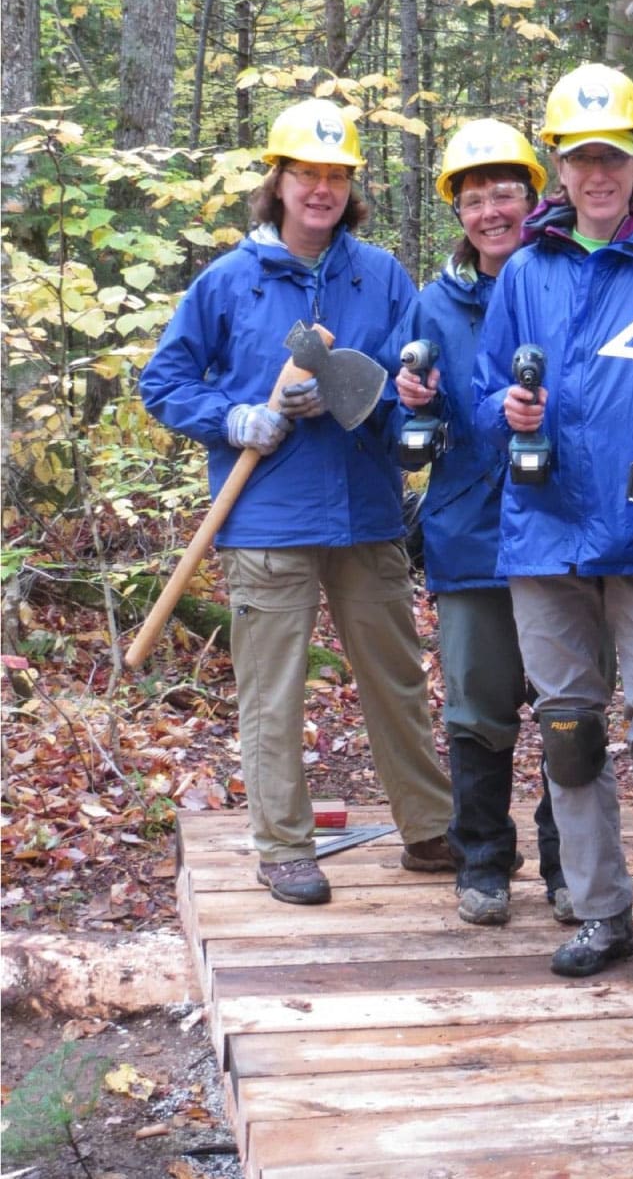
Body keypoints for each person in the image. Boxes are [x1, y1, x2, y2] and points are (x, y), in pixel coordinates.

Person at [140, 98, 454, 906]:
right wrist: (231, 415)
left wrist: (386, 399)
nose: (321, 189)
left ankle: (427, 828)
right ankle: (283, 845)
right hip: (267, 520)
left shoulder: (379, 275)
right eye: (307, 174)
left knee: (397, 680)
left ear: (353, 187)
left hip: (368, 510)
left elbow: (405, 392)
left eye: (336, 176)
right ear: (276, 182)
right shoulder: (229, 282)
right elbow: (164, 382)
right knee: (273, 691)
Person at [473, 63, 633, 983]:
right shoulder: (525, 270)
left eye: (613, 156)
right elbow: (486, 388)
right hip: (542, 530)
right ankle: (602, 912)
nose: (598, 174)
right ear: (558, 169)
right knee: (568, 727)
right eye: (581, 159)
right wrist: (509, 412)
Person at [396, 119, 576, 927]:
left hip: (569, 524)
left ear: (535, 196)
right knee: (476, 704)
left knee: (572, 703)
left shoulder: (570, 277)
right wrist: (416, 410)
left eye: (505, 192)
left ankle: (570, 863)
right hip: (470, 529)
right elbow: (414, 434)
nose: (491, 210)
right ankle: (483, 862)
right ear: (458, 214)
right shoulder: (433, 302)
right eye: (473, 199)